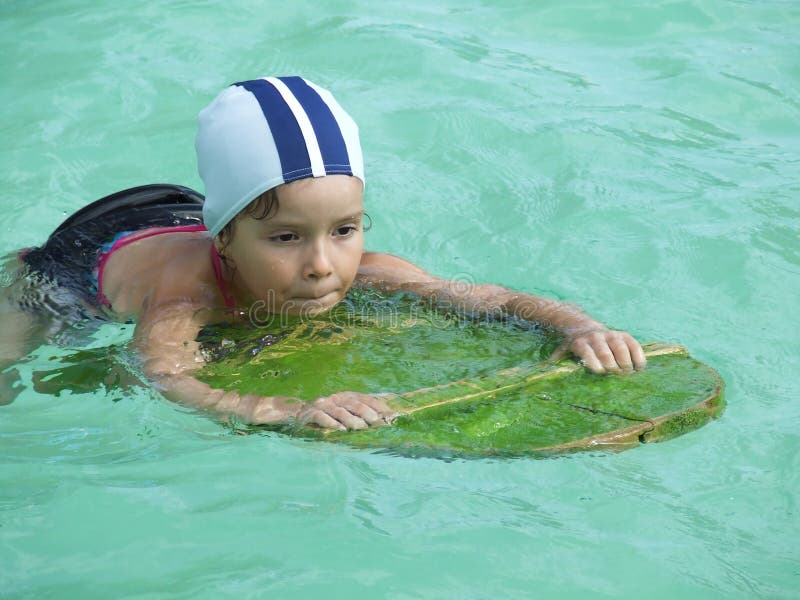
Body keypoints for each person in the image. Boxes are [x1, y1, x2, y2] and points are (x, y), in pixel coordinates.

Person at [0, 75, 646, 427]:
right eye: (288, 239)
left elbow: (488, 299)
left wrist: (577, 326)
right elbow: (171, 377)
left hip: (201, 206)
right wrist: (280, 411)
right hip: (79, 261)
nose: (322, 264)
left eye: (344, 230)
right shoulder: (182, 296)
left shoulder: (361, 270)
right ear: (224, 240)